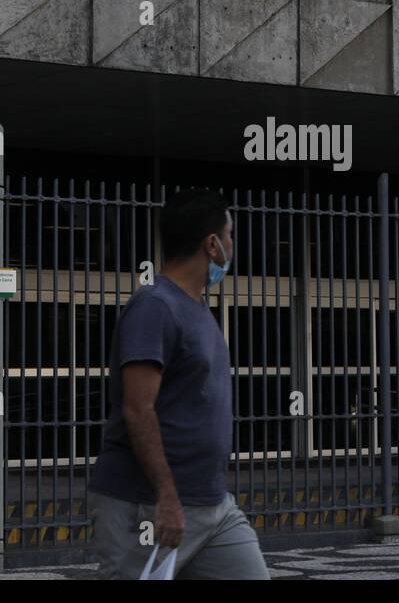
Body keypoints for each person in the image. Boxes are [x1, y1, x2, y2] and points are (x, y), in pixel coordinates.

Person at [88, 188, 270, 579]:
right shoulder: (155, 306)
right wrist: (166, 498)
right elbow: (138, 408)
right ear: (212, 244)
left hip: (214, 508)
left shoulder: (197, 308)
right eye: (230, 234)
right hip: (145, 505)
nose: (232, 245)